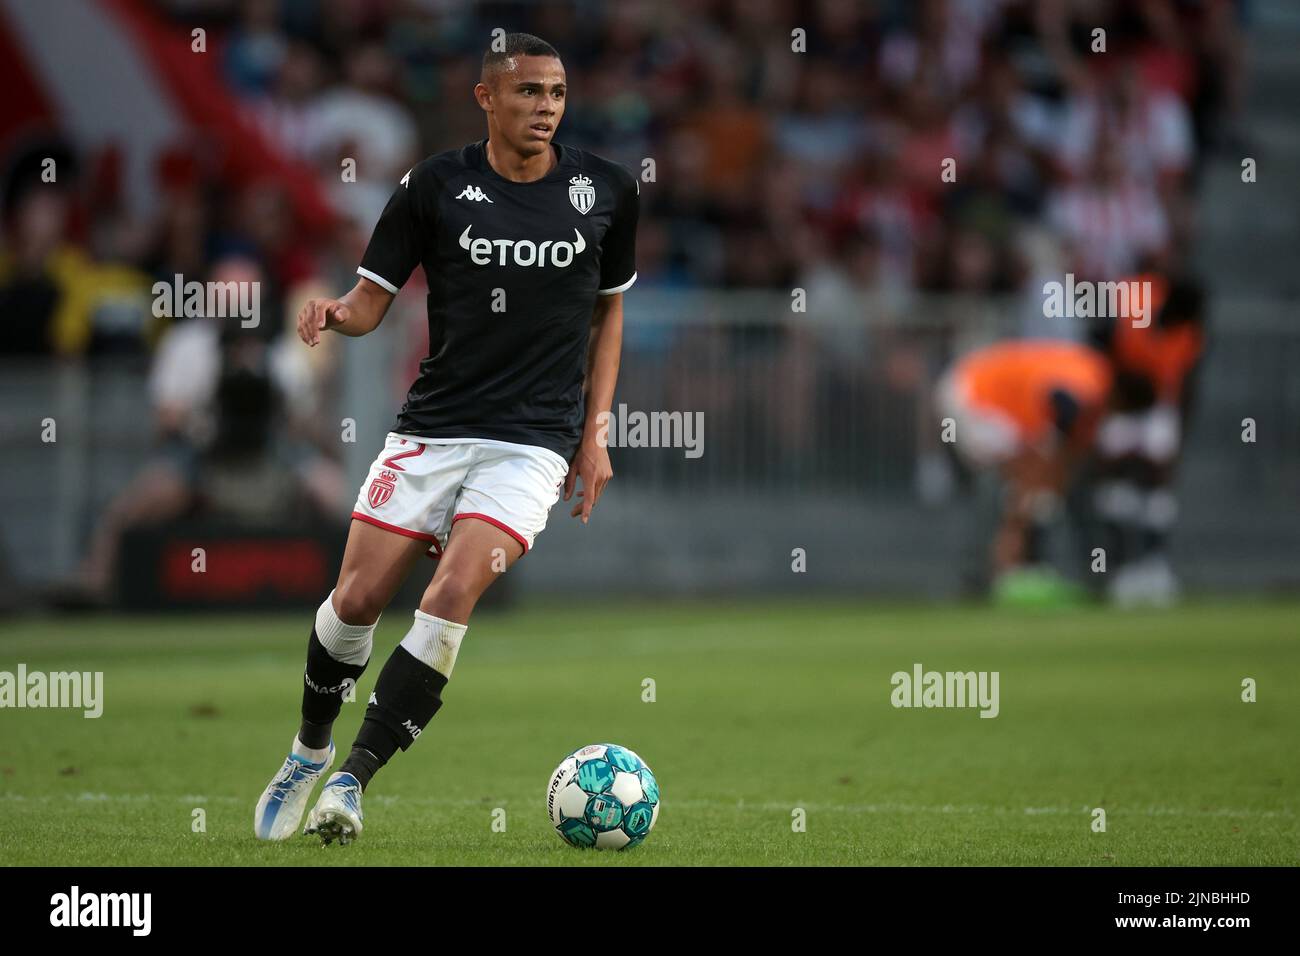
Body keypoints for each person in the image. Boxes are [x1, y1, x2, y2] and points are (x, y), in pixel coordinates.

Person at [253, 33, 638, 846]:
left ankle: (352, 780)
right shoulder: (434, 187)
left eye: (558, 94)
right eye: (529, 92)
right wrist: (333, 313)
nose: (545, 109)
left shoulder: (603, 190)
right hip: (432, 429)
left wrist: (594, 434)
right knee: (355, 601)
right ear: (487, 99)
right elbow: (371, 301)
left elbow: (610, 315)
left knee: (450, 595)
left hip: (532, 443)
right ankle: (308, 749)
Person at [935, 339, 1112, 597]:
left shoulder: (1091, 379)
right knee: (1024, 491)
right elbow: (1060, 416)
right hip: (972, 395)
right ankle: (1006, 574)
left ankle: (1015, 569)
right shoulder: (1085, 389)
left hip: (982, 394)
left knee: (1031, 491)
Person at [1088, 274, 1206, 605]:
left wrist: (1178, 431)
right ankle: (1119, 569)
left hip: (1158, 410)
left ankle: (1154, 567)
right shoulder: (1134, 305)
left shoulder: (1188, 334)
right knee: (1114, 484)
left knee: (1157, 485)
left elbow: (1188, 383)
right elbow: (1101, 350)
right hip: (1119, 406)